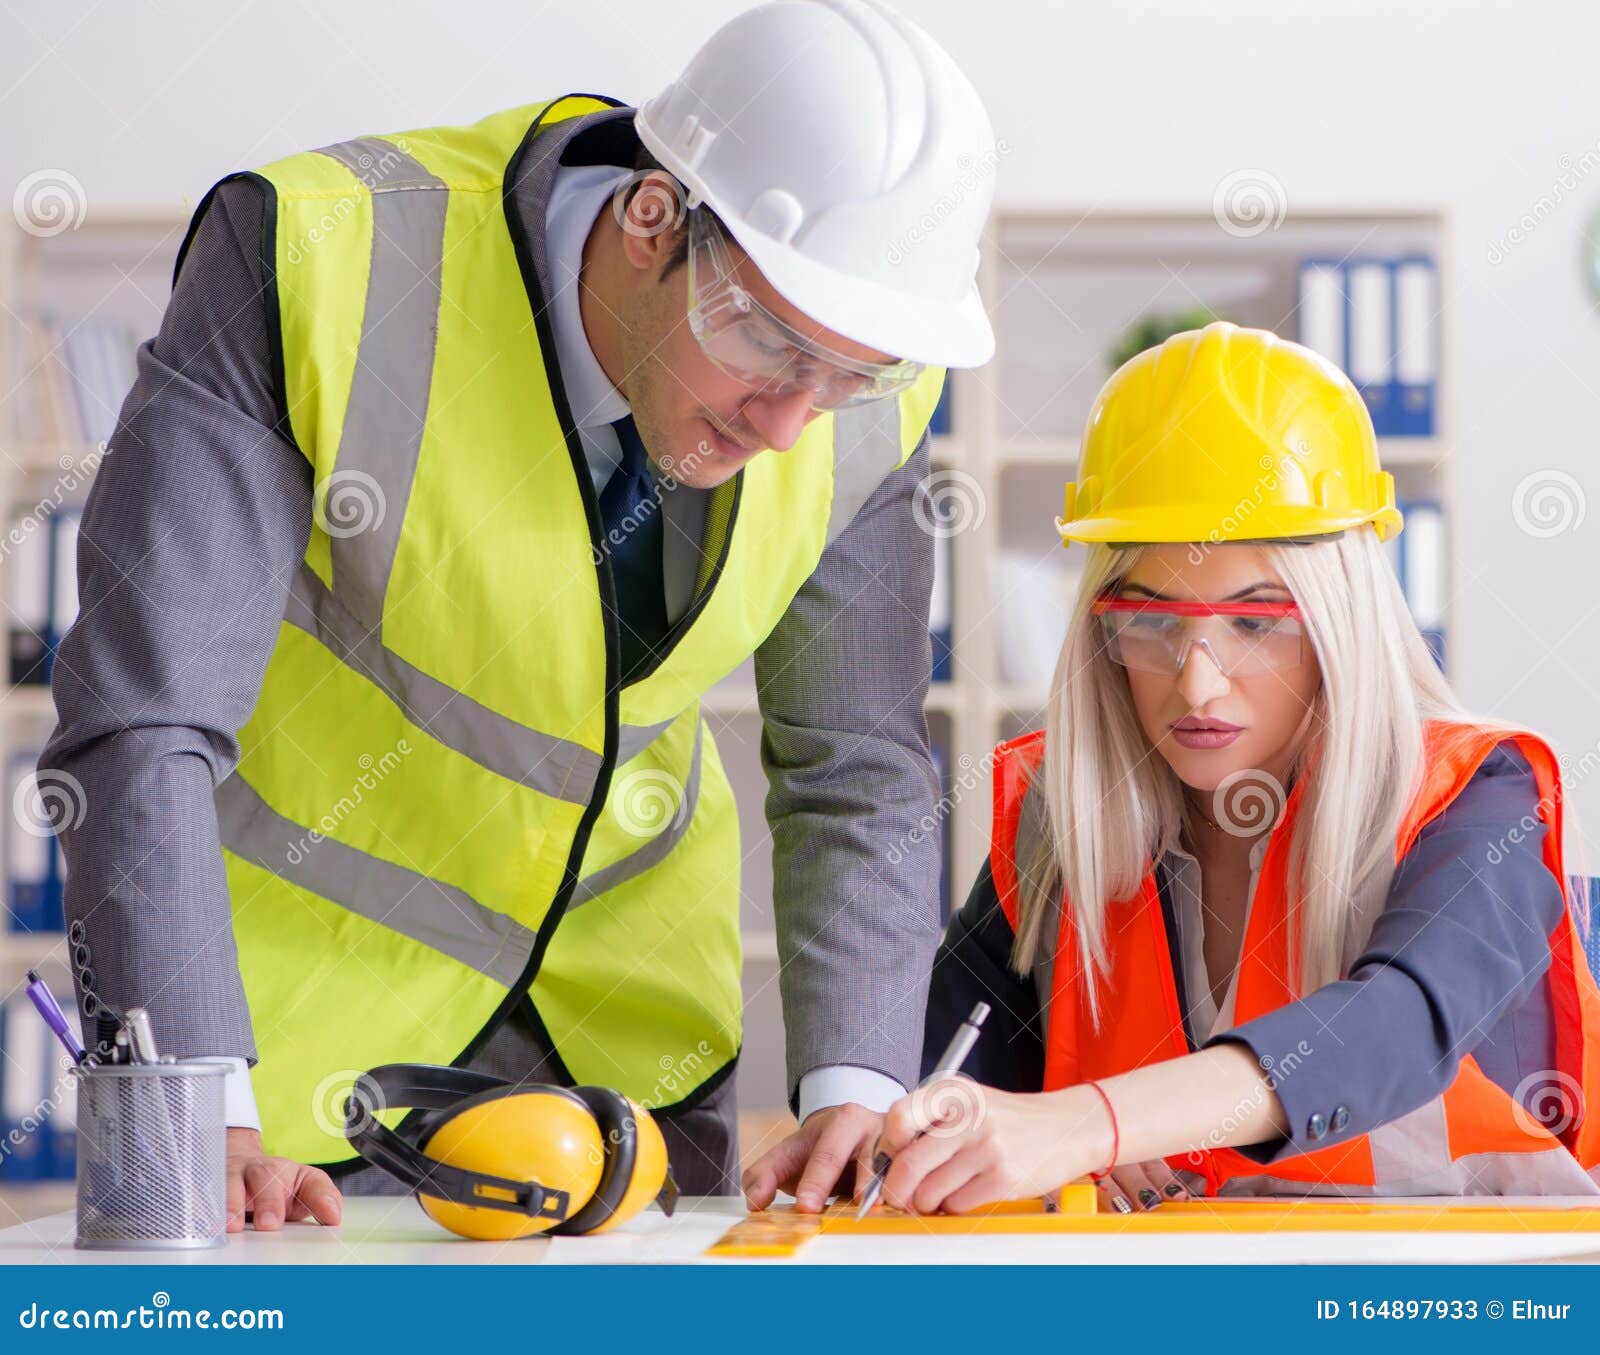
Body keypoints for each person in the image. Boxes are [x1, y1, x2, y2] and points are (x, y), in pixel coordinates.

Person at [39, 0, 996, 1229]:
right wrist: (195, 1096)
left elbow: (855, 762)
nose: (788, 419)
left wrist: (858, 1087)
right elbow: (142, 712)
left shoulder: (851, 398)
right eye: (763, 337)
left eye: (854, 374)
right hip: (298, 1067)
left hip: (631, 1054)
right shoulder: (316, 260)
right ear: (653, 215)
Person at [875, 322, 1600, 1214]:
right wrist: (891, 1127)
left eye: (1255, 623)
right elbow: (953, 1072)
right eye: (1151, 621)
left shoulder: (1477, 797)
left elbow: (1400, 1021)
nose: (1197, 682)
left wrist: (1086, 1122)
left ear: (1339, 621)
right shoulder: (1058, 824)